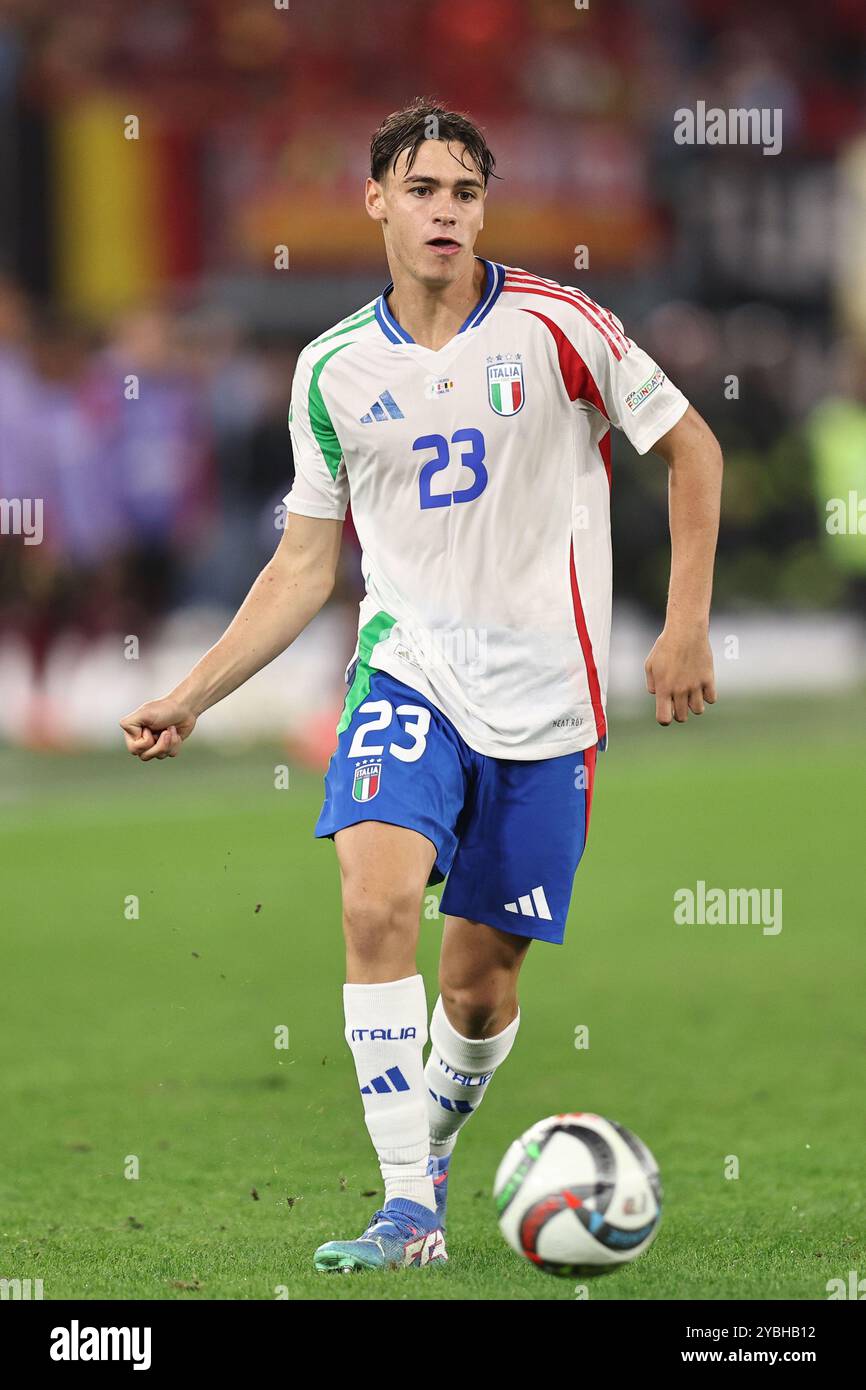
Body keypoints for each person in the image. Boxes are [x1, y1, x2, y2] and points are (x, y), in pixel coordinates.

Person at [120, 100, 722, 1274]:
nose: (444, 211)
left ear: (480, 208)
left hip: (548, 700)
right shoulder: (331, 370)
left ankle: (430, 1145)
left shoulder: (560, 325)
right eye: (422, 189)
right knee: (373, 901)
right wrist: (192, 693)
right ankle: (406, 1210)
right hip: (408, 672)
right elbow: (305, 563)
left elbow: (690, 447)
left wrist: (687, 623)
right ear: (376, 202)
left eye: (463, 192)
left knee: (478, 985)